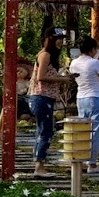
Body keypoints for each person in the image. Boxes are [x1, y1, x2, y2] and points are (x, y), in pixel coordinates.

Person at [66, 36, 99, 169]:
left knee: (82, 129)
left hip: (81, 98)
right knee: (95, 130)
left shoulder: (74, 63)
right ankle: (91, 162)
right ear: (92, 49)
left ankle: (81, 158)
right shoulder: (94, 63)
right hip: (96, 97)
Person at [25, 33, 65, 177]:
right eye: (58, 39)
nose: (60, 42)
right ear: (50, 40)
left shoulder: (46, 55)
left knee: (42, 131)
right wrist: (62, 80)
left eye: (62, 39)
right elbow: (40, 77)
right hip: (41, 97)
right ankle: (39, 167)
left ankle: (39, 164)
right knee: (46, 132)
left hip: (44, 98)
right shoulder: (45, 55)